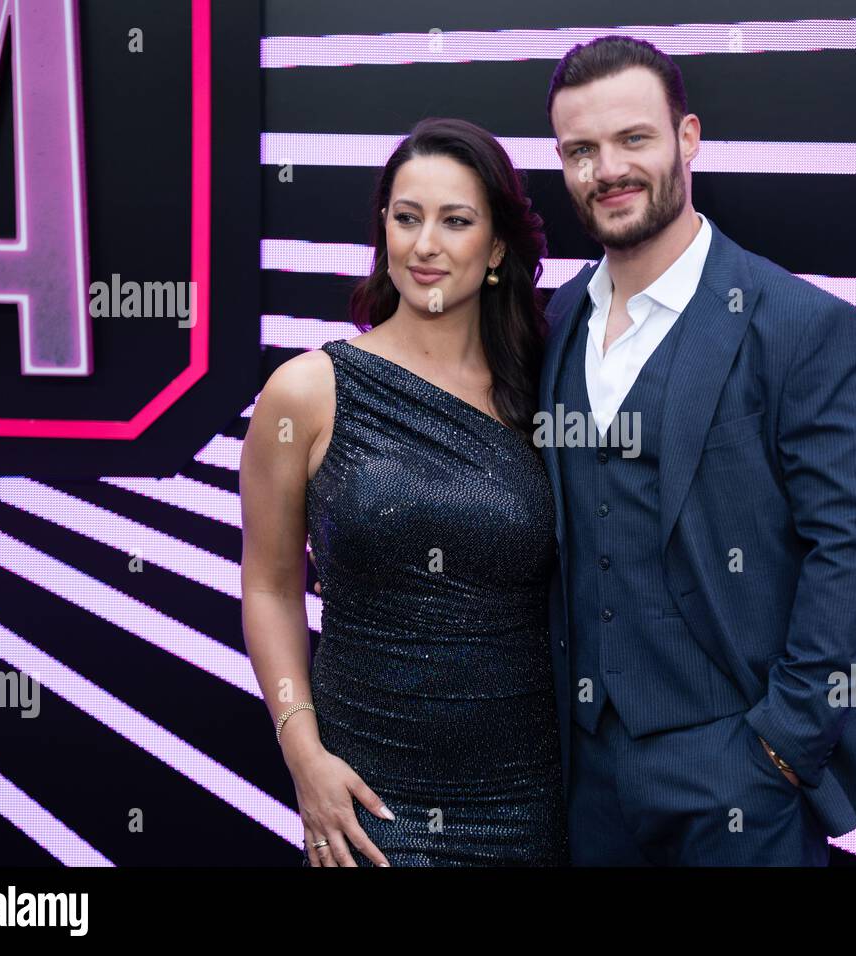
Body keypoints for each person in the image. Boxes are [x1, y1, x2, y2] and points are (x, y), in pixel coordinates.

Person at [539, 36, 856, 865]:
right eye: (581, 150)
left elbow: (852, 549)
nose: (608, 170)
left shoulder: (804, 326)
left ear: (688, 137)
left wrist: (781, 745)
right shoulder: (551, 325)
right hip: (581, 778)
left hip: (739, 773)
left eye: (633, 139)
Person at [240, 117, 568, 866]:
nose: (425, 246)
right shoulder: (306, 391)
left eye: (455, 222)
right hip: (367, 805)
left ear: (494, 249)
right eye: (407, 217)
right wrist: (303, 755)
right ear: (383, 229)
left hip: (531, 803)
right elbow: (268, 586)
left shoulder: (544, 397)